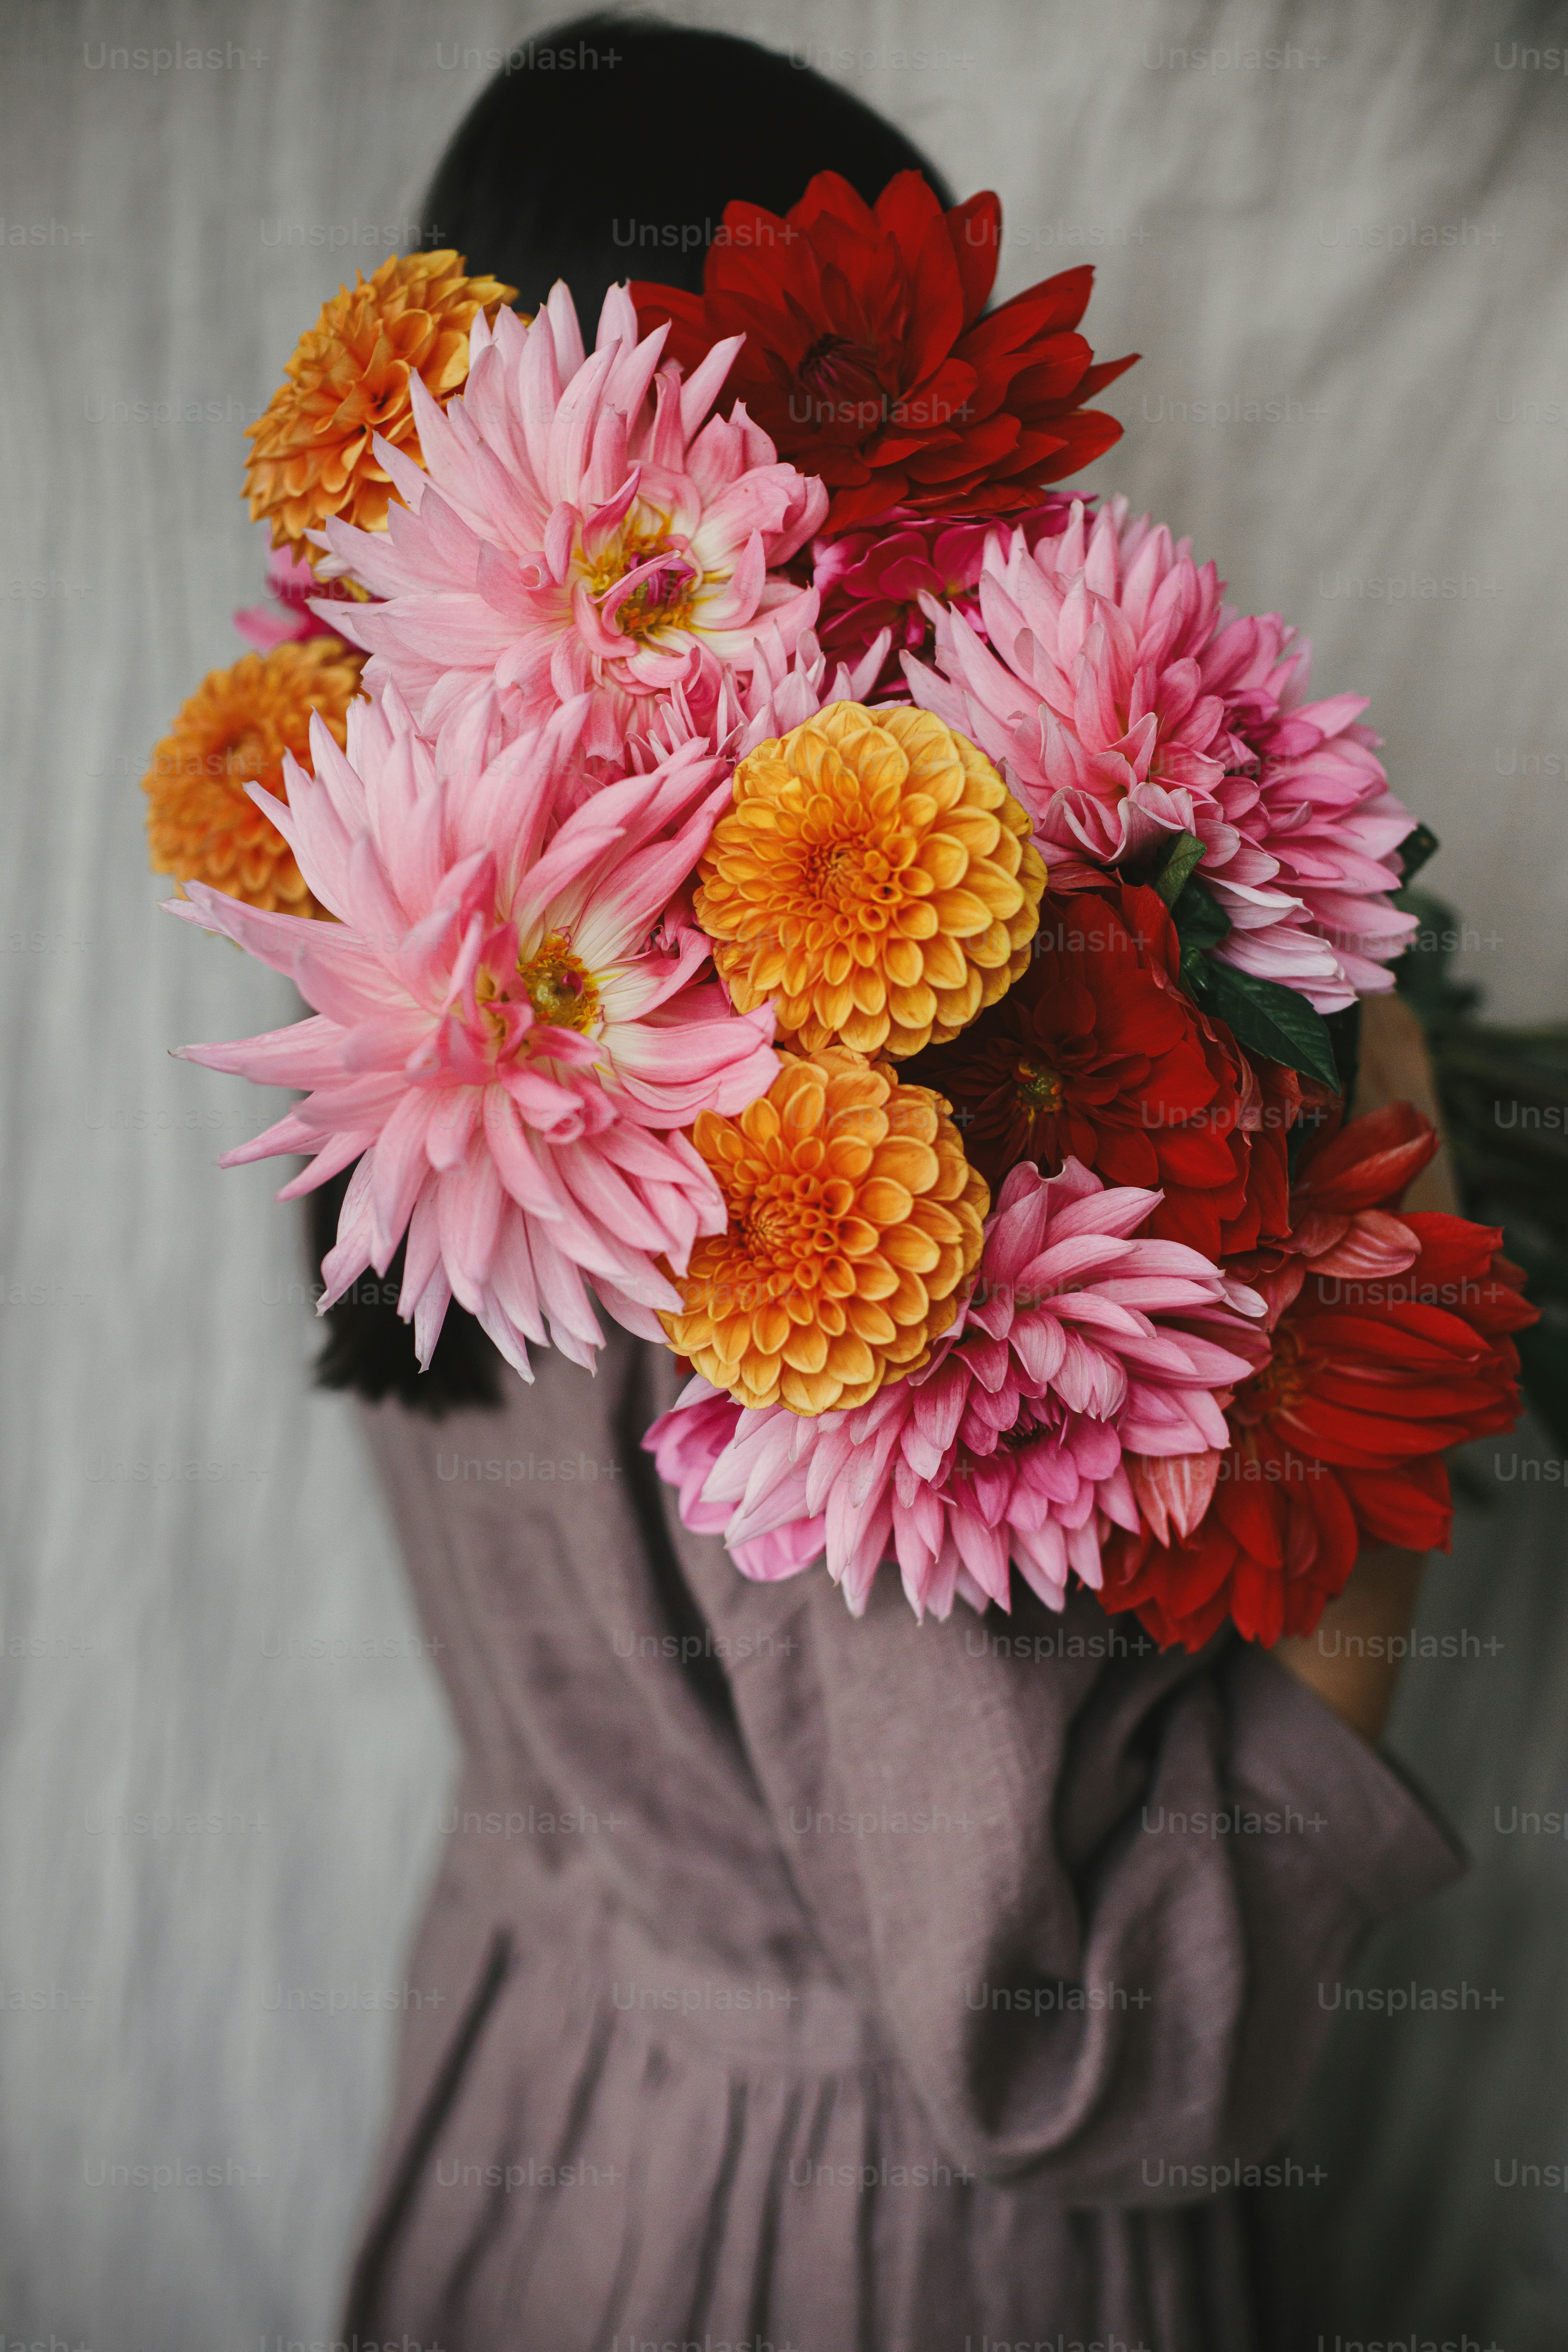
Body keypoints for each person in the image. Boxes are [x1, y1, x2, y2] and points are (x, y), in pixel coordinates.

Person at [317, 21, 1462, 2348]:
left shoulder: (403, 957)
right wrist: (1398, 1267)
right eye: (885, 413)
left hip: (542, 2120)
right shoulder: (825, 1174)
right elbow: (1079, 2061)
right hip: (860, 2262)